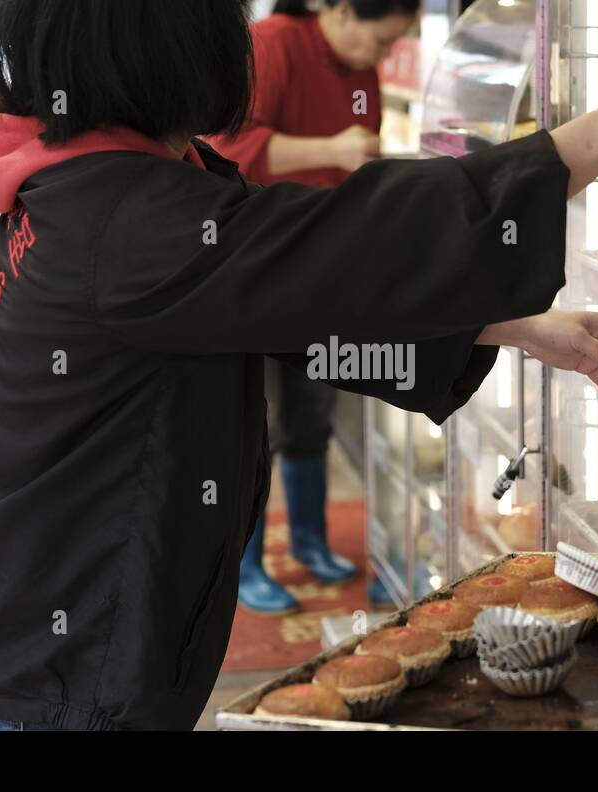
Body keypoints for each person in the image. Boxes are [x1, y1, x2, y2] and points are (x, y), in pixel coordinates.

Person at [0, 0, 598, 731]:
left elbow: (280, 290)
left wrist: (503, 324)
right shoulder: (124, 216)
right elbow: (357, 241)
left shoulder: (82, 170)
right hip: (44, 664)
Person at [208, 0, 418, 614]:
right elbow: (232, 151)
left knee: (313, 409)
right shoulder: (271, 42)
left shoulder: (359, 64)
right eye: (380, 43)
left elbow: (362, 156)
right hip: (256, 266)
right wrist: (332, 147)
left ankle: (309, 541)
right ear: (344, 10)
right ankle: (245, 564)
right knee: (253, 423)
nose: (380, 58)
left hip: (324, 269)